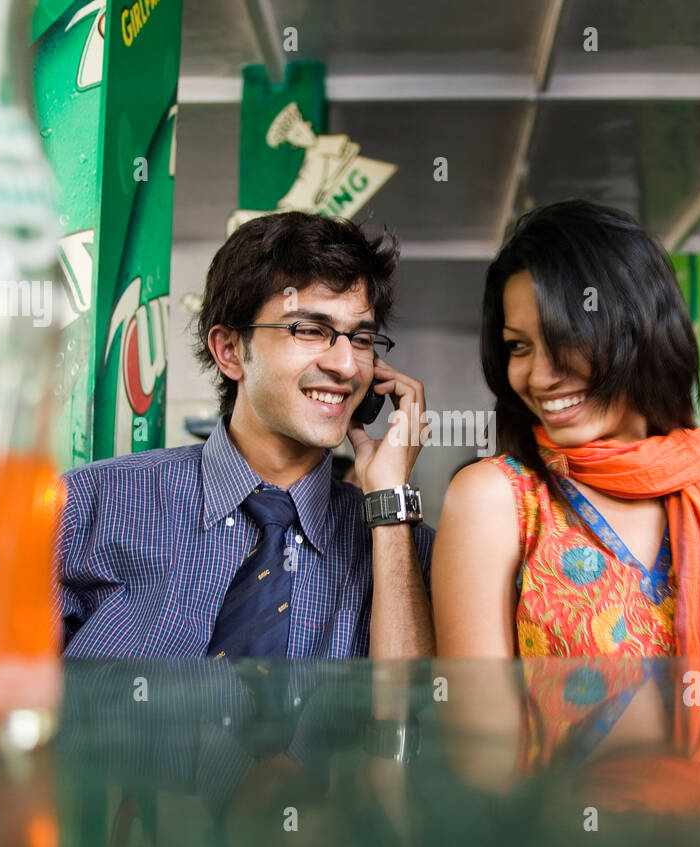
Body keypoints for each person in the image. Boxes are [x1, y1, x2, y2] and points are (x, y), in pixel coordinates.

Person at [432, 199, 700, 658]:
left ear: (640, 330)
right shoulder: (498, 498)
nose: (538, 376)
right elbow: (481, 725)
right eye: (518, 346)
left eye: (567, 338)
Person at [57, 212, 434, 658]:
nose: (347, 366)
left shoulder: (406, 549)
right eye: (311, 331)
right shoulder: (86, 507)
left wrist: (389, 504)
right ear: (230, 351)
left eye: (362, 339)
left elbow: (404, 718)